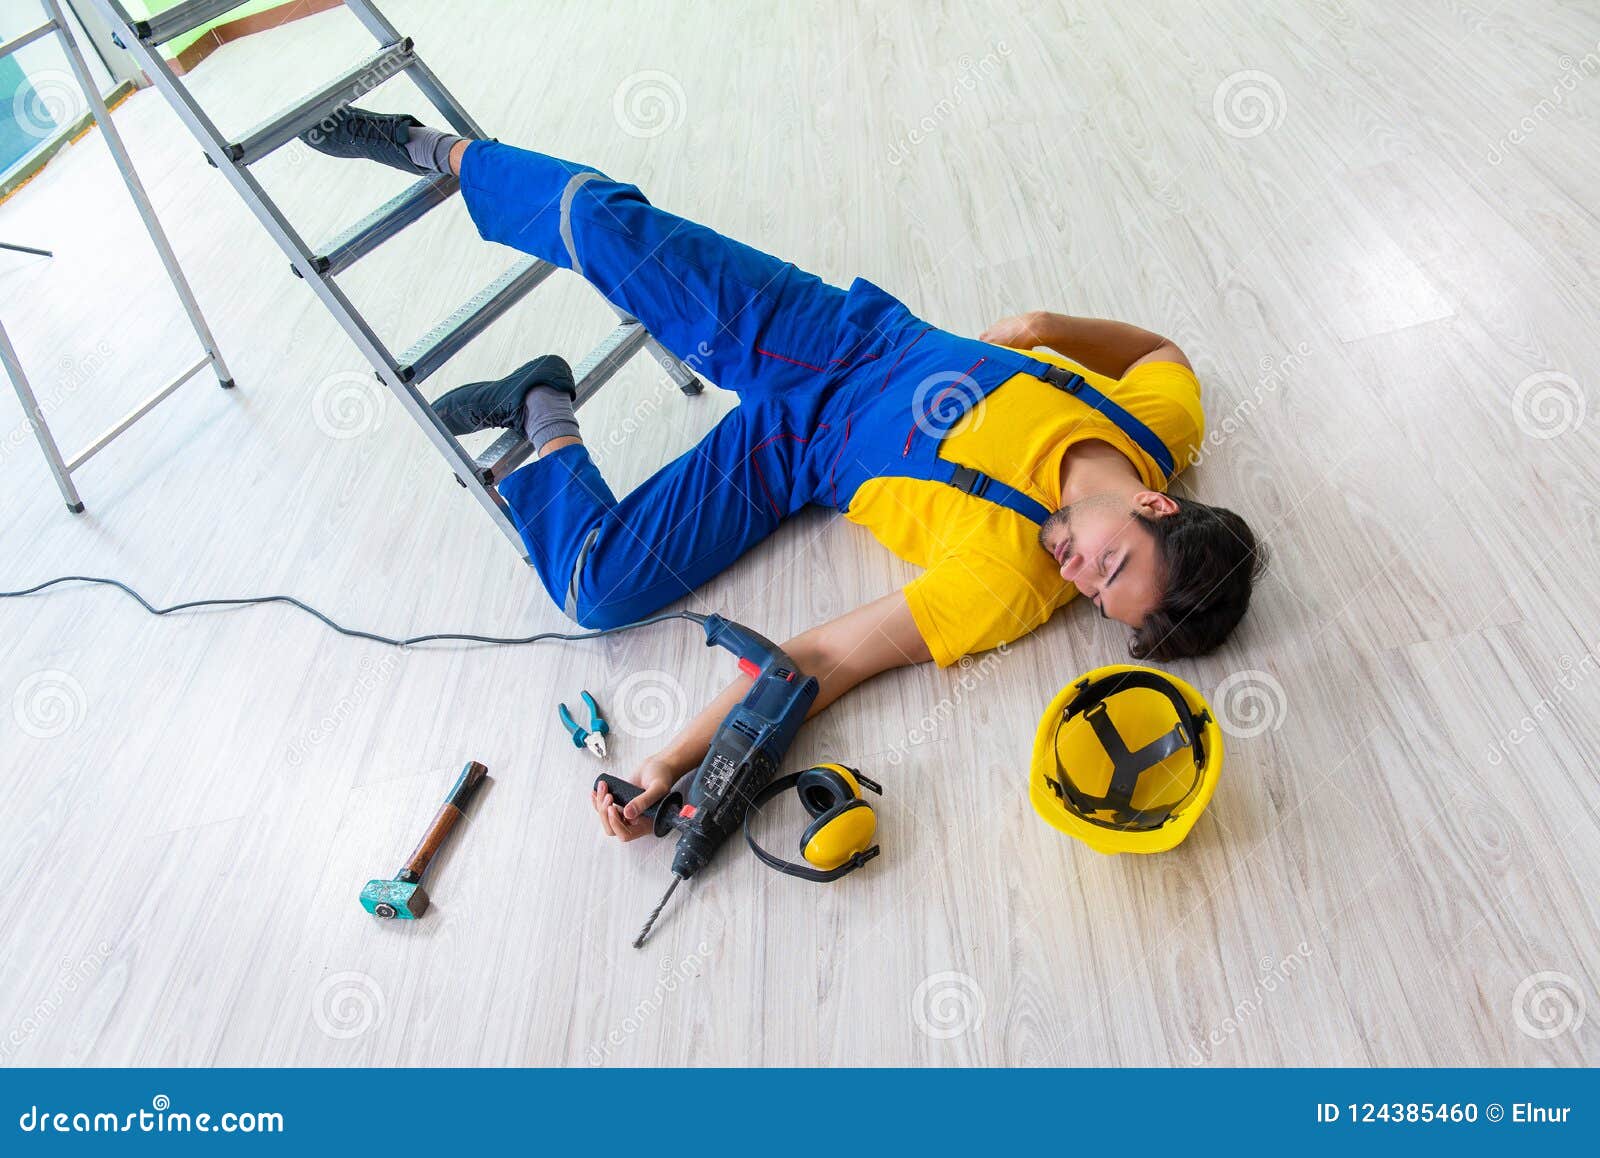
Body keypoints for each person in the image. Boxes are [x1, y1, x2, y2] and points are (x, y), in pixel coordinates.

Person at [302, 109, 1266, 842]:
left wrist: (675, 762)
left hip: (796, 454)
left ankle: (536, 408)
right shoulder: (1159, 426)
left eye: (1095, 599)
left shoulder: (1008, 584)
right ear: (1153, 500)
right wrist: (1045, 329)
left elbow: (824, 659)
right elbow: (1162, 350)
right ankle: (436, 151)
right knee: (603, 226)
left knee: (596, 589)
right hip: (828, 337)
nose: (1073, 577)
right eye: (1107, 563)